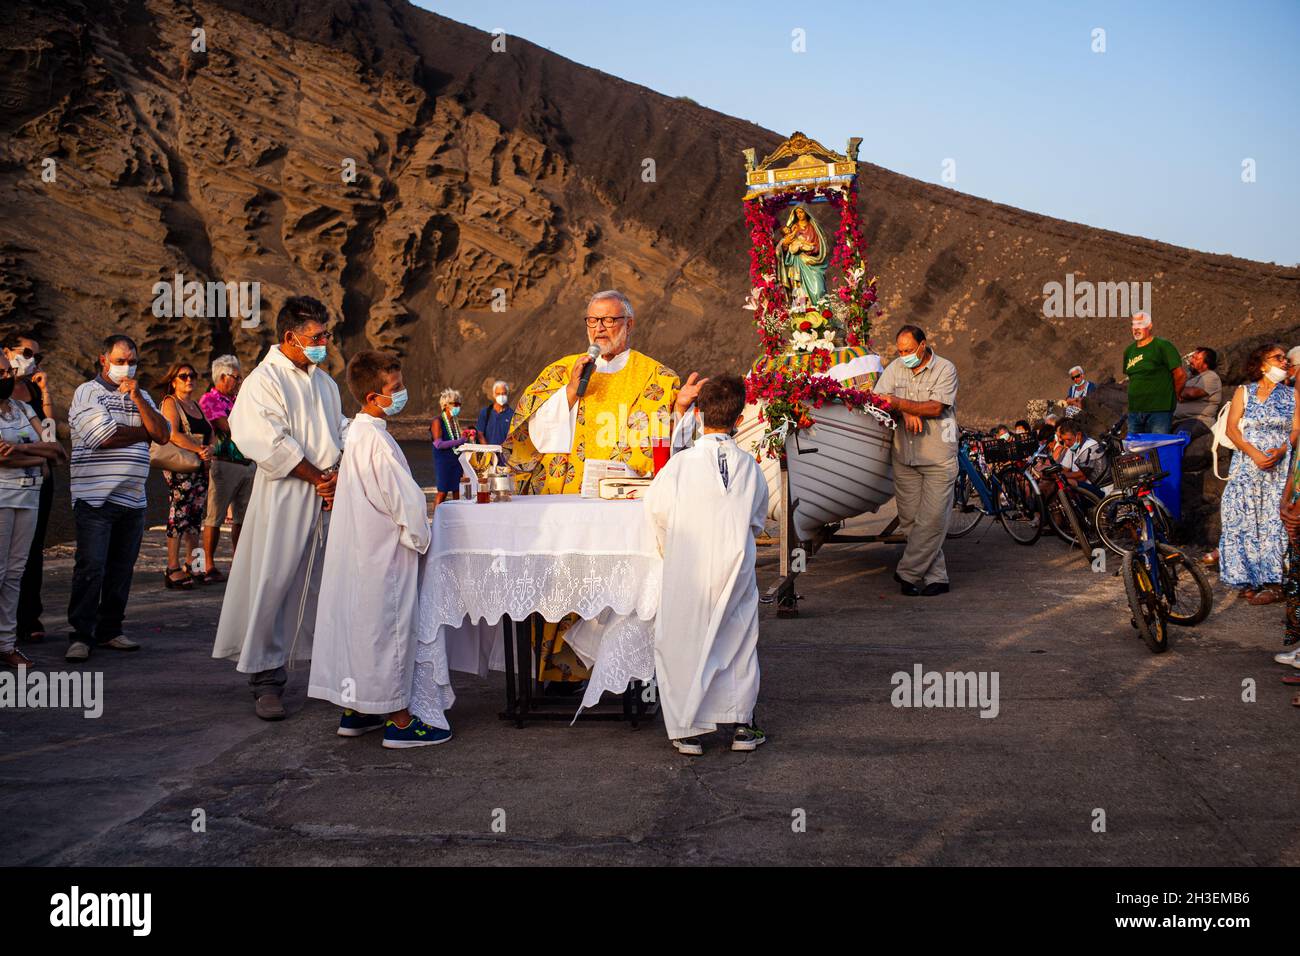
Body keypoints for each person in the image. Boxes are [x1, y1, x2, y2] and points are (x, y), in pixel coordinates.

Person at [504, 289, 705, 682]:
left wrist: (679, 410)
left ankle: (619, 673)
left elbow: (669, 444)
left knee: (617, 586)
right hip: (565, 502)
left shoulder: (657, 377)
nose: (600, 328)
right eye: (593, 320)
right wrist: (568, 393)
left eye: (610, 320)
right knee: (559, 583)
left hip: (622, 507)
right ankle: (553, 673)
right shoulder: (563, 370)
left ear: (628, 325)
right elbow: (527, 433)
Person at [211, 297, 349, 721]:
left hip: (325, 495)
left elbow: (339, 430)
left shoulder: (323, 382)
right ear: (291, 337)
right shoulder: (263, 380)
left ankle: (333, 672)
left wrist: (340, 472)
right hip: (286, 494)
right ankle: (266, 680)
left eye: (326, 335)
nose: (325, 342)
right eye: (317, 336)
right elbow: (261, 439)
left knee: (329, 580)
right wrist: (317, 477)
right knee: (274, 578)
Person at [308, 351, 449, 748]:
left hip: (357, 548)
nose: (403, 393)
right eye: (396, 388)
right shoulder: (378, 441)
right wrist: (423, 539)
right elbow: (404, 500)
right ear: (373, 397)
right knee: (390, 631)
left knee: (360, 626)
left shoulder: (356, 433)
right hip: (384, 552)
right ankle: (401, 722)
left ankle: (358, 708)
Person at [645, 374, 768, 755]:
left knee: (682, 639)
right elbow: (758, 519)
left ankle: (687, 730)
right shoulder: (749, 466)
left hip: (689, 567)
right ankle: (742, 726)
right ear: (741, 415)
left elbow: (657, 512)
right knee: (738, 640)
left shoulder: (680, 467)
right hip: (735, 565)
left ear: (698, 413)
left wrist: (670, 549)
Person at [66, 335, 172, 662]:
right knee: (91, 568)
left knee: (120, 571)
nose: (125, 367)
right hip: (95, 499)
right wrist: (145, 432)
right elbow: (103, 436)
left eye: (130, 360)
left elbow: (164, 434)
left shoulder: (140, 396)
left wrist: (138, 397)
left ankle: (110, 630)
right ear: (103, 360)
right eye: (119, 360)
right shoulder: (88, 393)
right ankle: (81, 636)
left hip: (133, 500)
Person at [872, 325, 959, 596]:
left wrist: (899, 403)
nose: (904, 355)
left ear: (923, 346)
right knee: (910, 521)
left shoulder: (945, 369)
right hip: (905, 456)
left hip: (938, 457)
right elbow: (877, 399)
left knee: (932, 520)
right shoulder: (895, 368)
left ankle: (907, 572)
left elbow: (936, 406)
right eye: (900, 351)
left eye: (909, 350)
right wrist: (903, 410)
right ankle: (936, 577)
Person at [0, 352, 66, 668]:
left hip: (28, 499)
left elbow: (56, 449)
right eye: (1, 370)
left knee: (15, 573)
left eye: (7, 370)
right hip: (1, 500)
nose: (6, 375)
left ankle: (6, 644)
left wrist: (23, 450)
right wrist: (39, 456)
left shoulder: (23, 408)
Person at [1218, 344, 1298, 605]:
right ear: (1262, 365)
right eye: (1278, 358)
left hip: (1278, 468)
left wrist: (1282, 449)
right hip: (1247, 468)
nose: (1284, 362)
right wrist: (1254, 453)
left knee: (1273, 522)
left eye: (1286, 359)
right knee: (1241, 520)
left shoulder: (1293, 395)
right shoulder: (1245, 392)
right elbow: (1232, 430)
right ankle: (1248, 579)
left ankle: (1275, 583)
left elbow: (1296, 430)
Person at [4, 334, 57, 644]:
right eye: (25, 352)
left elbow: (49, 434)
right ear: (7, 352)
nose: (32, 358)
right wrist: (40, 452)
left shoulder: (33, 389)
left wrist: (46, 392)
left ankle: (28, 616)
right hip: (9, 478)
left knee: (32, 548)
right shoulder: (4, 390)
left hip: (40, 478)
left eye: (37, 354)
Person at [157, 362, 215, 589]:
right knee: (178, 515)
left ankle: (193, 564)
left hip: (199, 467)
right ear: (173, 381)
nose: (189, 379)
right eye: (183, 376)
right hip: (180, 467)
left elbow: (210, 432)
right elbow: (172, 433)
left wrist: (210, 447)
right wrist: (198, 449)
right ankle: (172, 568)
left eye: (193, 375)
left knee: (195, 517)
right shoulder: (171, 403)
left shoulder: (195, 405)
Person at [199, 354, 255, 580]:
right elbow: (227, 427)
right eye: (236, 377)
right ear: (222, 377)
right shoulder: (209, 400)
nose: (239, 382)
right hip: (224, 463)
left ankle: (238, 562)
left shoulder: (237, 400)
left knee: (242, 516)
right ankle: (208, 565)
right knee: (215, 515)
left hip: (246, 462)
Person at [1123, 311, 1184, 434]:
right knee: (1135, 450)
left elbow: (1180, 374)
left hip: (1159, 411)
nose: (1136, 328)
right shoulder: (1129, 351)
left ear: (1150, 326)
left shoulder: (1162, 346)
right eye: (1133, 325)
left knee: (1156, 449)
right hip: (1135, 412)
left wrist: (1174, 395)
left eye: (1140, 324)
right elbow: (1133, 378)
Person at [431, 389, 470, 507]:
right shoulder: (437, 421)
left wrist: (465, 436)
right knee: (442, 492)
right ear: (446, 405)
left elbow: (457, 440)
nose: (458, 407)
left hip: (456, 460)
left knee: (457, 490)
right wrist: (460, 440)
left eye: (459, 404)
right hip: (443, 461)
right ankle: (436, 516)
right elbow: (439, 444)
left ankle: (457, 517)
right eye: (455, 404)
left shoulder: (454, 421)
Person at [1174, 347, 1223, 435]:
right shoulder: (1189, 376)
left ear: (1206, 364)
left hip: (1198, 421)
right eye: (1192, 357)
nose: (1191, 361)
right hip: (1177, 420)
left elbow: (1191, 393)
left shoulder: (1211, 376)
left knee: (1179, 437)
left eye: (1196, 359)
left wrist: (1176, 390)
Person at [476, 380, 514, 447]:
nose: (501, 396)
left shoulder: (512, 414)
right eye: (498, 394)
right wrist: (488, 451)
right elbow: (480, 434)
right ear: (493, 395)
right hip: (488, 452)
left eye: (503, 393)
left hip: (505, 453)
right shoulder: (485, 412)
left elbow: (513, 437)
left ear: (507, 394)